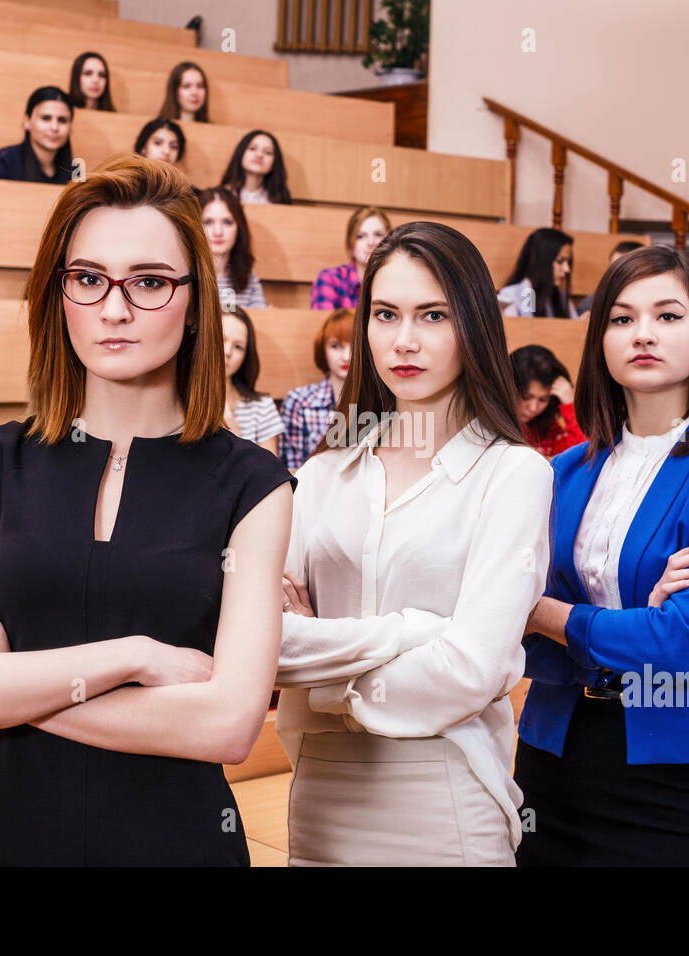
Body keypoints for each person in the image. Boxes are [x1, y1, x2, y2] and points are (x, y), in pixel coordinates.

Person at [0, 154, 295, 866]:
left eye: (147, 282)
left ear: (196, 298)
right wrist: (135, 658)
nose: (114, 309)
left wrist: (5, 678)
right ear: (59, 294)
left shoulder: (254, 483)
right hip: (17, 842)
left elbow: (229, 725)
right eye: (87, 279)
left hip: (183, 847)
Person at [274, 220, 554, 866]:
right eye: (385, 314)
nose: (404, 340)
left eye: (432, 315)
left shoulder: (514, 475)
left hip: (447, 795)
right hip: (320, 799)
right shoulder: (320, 474)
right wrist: (411, 633)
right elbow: (271, 644)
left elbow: (471, 670)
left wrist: (326, 672)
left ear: (474, 327)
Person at [514, 244, 689, 866]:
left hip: (663, 771)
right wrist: (638, 615)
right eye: (621, 318)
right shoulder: (559, 472)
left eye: (668, 316)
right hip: (549, 752)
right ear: (599, 342)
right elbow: (498, 612)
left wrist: (548, 613)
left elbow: (681, 642)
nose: (643, 334)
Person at [280, 307, 352, 471]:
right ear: (323, 349)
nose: (346, 356)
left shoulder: (379, 402)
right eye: (335, 346)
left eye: (354, 346)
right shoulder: (299, 401)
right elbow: (292, 469)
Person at [222, 306, 282, 456]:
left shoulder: (262, 406)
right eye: (221, 340)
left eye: (238, 347)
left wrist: (236, 439)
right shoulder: (179, 399)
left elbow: (271, 474)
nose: (227, 352)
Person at [0, 87, 74, 185]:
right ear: (27, 121)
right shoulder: (5, 161)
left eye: (62, 120)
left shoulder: (74, 172)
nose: (54, 127)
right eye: (46, 118)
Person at [197, 186, 265, 310]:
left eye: (227, 222)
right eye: (208, 222)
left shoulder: (249, 279)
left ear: (239, 229)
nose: (218, 231)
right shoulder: (185, 276)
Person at [310, 206, 390, 310]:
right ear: (351, 245)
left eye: (378, 234)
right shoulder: (331, 279)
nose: (371, 242)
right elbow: (327, 324)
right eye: (361, 236)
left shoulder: (398, 281)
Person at [511, 344, 584, 459]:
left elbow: (581, 456)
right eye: (526, 397)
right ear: (509, 388)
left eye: (543, 400)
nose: (533, 408)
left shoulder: (547, 430)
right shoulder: (489, 423)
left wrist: (570, 407)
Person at [498, 227, 577, 319]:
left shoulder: (561, 297)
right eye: (560, 261)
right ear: (541, 261)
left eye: (568, 262)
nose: (567, 269)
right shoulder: (510, 296)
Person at [219, 130, 291, 205]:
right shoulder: (223, 195)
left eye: (268, 152)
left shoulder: (280, 199)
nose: (259, 155)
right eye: (252, 148)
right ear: (241, 153)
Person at [578, 239, 643, 317]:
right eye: (612, 268)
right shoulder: (592, 303)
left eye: (622, 269)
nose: (614, 274)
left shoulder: (650, 300)